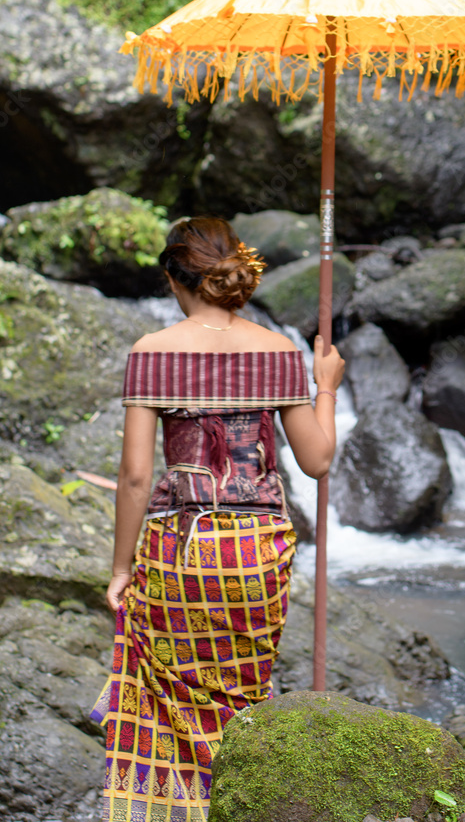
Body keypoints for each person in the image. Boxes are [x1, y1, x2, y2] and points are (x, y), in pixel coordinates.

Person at [90, 215, 345, 822]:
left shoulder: (152, 353)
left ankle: (167, 809)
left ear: (174, 280)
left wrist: (121, 567)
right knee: (240, 698)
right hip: (257, 553)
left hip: (181, 549)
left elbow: (132, 477)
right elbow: (318, 460)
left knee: (166, 703)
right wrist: (326, 384)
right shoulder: (279, 352)